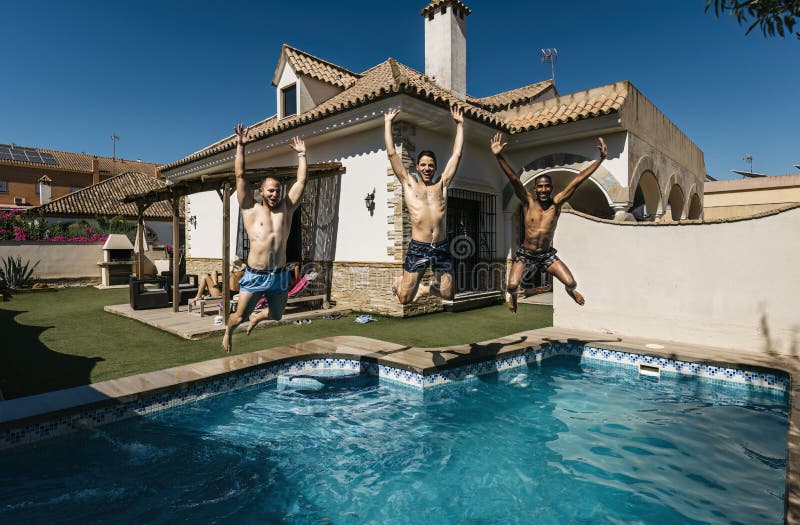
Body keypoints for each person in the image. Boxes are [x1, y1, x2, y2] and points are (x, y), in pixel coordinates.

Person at [490, 132, 607, 312]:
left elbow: (578, 179)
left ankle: (571, 293)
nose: (544, 189)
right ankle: (513, 297)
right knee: (512, 286)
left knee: (571, 283)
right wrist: (498, 156)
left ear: (551, 188)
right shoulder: (528, 202)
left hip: (546, 255)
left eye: (547, 186)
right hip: (526, 253)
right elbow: (513, 179)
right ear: (535, 188)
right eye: (540, 186)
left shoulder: (556, 203)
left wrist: (600, 160)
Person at [222, 124, 308, 352]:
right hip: (255, 275)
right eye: (270, 190)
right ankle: (228, 331)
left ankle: (258, 317)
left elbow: (300, 182)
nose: (274, 194)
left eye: (278, 190)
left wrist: (301, 155)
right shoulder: (250, 209)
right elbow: (240, 175)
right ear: (261, 192)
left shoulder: (287, 209)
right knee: (239, 317)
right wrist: (240, 146)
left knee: (278, 316)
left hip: (279, 274)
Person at [384, 105, 464, 303]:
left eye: (431, 165)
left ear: (435, 167)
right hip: (418, 247)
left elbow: (457, 155)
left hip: (441, 246)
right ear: (417, 167)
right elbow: (392, 154)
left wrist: (460, 125)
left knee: (448, 293)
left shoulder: (442, 184)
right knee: (404, 299)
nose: (427, 168)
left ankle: (424, 289)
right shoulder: (409, 183)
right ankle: (404, 283)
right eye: (424, 165)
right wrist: (388, 123)